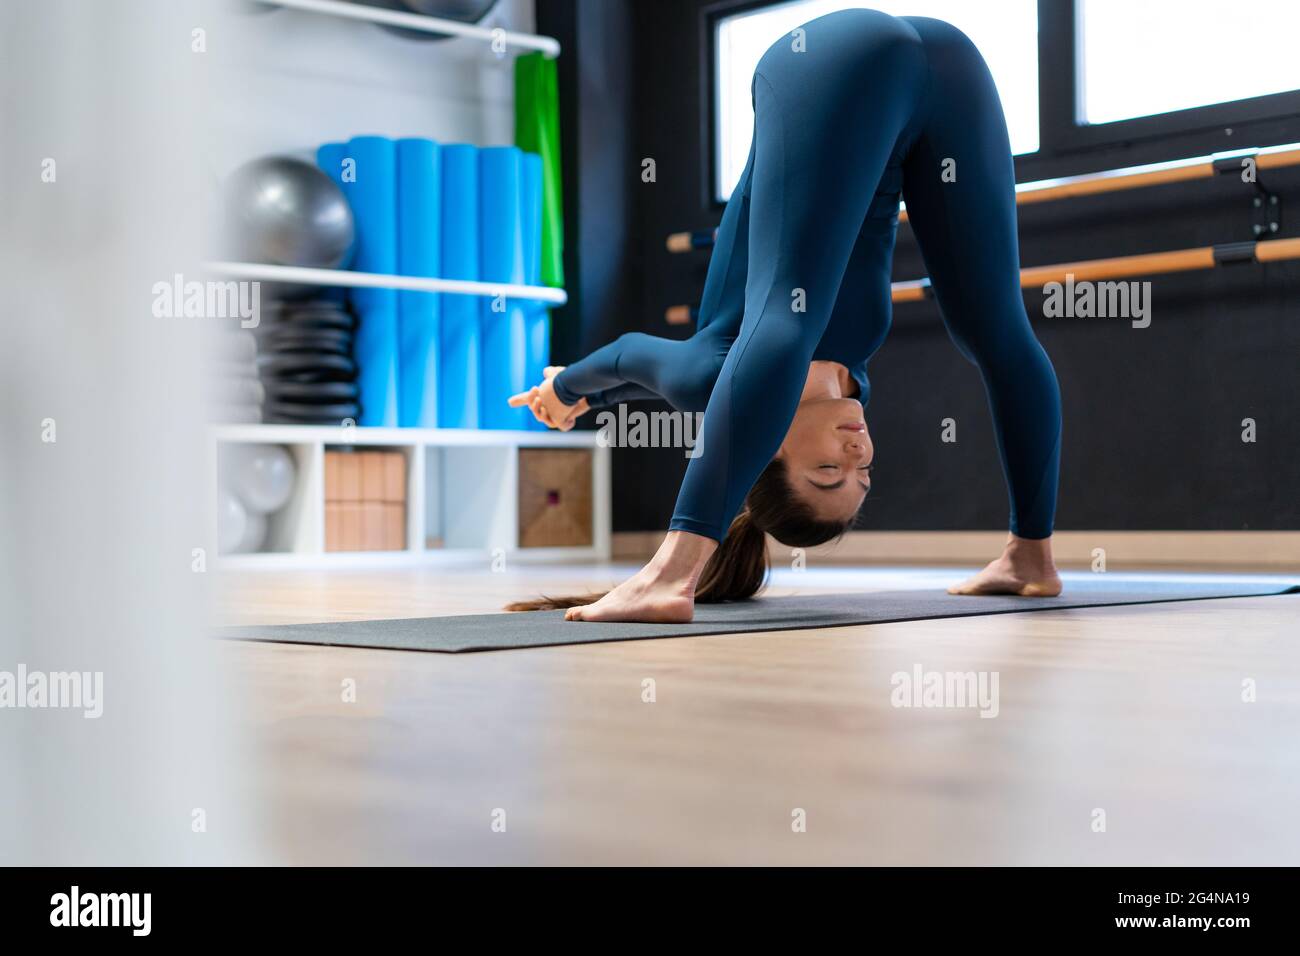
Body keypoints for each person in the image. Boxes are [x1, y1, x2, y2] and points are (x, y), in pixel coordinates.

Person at [508, 9, 1062, 621]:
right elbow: (647, 386)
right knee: (997, 331)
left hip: (827, 59)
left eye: (827, 470)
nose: (857, 454)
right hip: (949, 63)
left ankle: (669, 574)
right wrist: (594, 400)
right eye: (863, 474)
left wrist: (565, 389)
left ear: (766, 450)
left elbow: (626, 358)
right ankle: (1030, 556)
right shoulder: (848, 378)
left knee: (784, 321)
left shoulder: (708, 374)